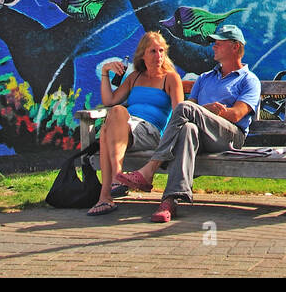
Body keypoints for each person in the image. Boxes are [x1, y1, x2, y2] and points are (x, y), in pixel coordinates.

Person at [136, 23, 261, 223]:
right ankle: (170, 200)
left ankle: (150, 169)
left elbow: (237, 115)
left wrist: (206, 112)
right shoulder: (205, 78)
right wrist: (205, 111)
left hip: (229, 137)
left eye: (219, 42)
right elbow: (189, 110)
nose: (214, 46)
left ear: (235, 47)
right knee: (187, 128)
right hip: (201, 136)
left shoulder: (249, 80)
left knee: (186, 110)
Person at [87, 31, 183, 216]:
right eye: (153, 51)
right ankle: (112, 189)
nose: (159, 56)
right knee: (111, 122)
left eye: (161, 51)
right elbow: (110, 100)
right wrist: (106, 72)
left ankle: (109, 190)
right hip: (127, 130)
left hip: (151, 132)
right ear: (143, 55)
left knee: (112, 122)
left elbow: (179, 112)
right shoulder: (135, 77)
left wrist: (170, 143)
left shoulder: (170, 78)